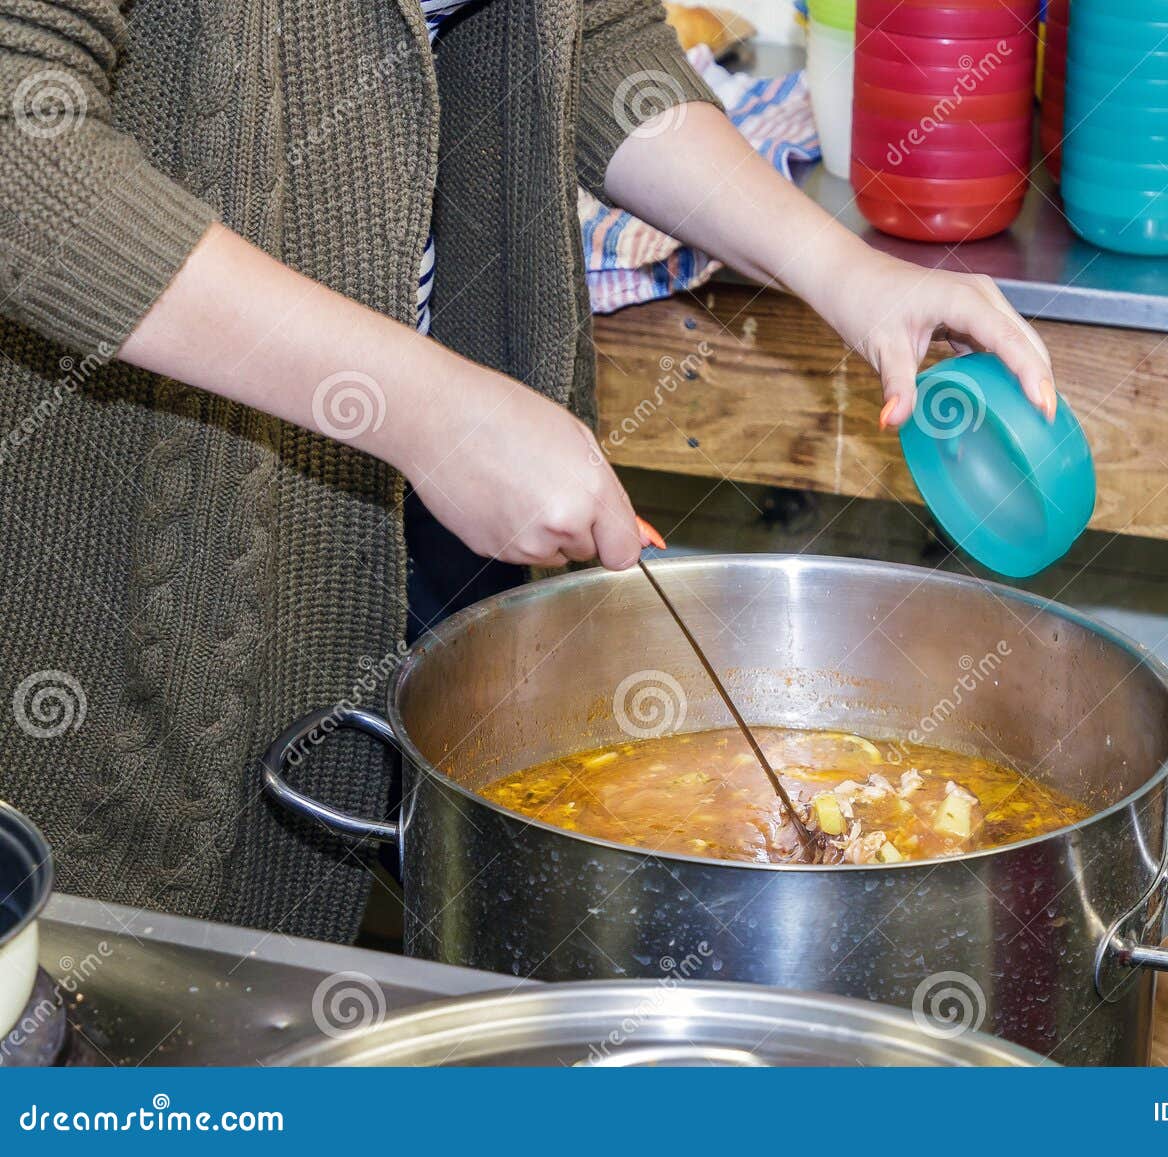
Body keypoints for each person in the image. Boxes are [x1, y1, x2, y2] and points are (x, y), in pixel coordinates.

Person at [0, 0, 1055, 944]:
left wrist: (841, 269)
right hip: (154, 544)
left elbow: (593, 33)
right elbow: (19, 145)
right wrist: (428, 411)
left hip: (438, 492)